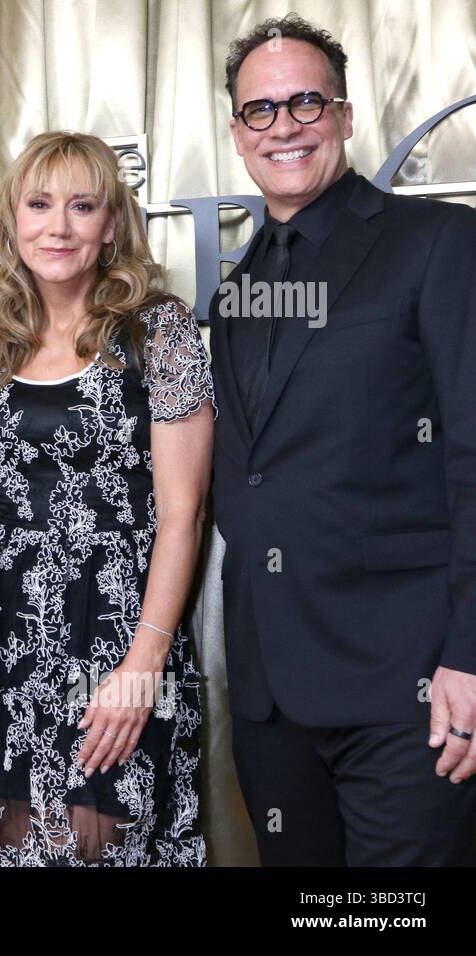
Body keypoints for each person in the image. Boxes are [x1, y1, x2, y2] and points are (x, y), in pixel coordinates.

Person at [210, 15, 476, 865]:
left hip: (413, 692)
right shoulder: (237, 291)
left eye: (306, 102)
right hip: (271, 700)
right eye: (261, 110)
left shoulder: (439, 247)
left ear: (347, 115)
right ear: (237, 134)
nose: (284, 125)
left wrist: (470, 661)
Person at [0, 132, 212, 866]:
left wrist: (144, 664)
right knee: (1, 840)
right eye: (40, 204)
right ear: (13, 220)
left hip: (119, 634)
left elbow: (185, 514)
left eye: (83, 207)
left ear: (112, 224)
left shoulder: (160, 331)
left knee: (106, 840)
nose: (59, 226)